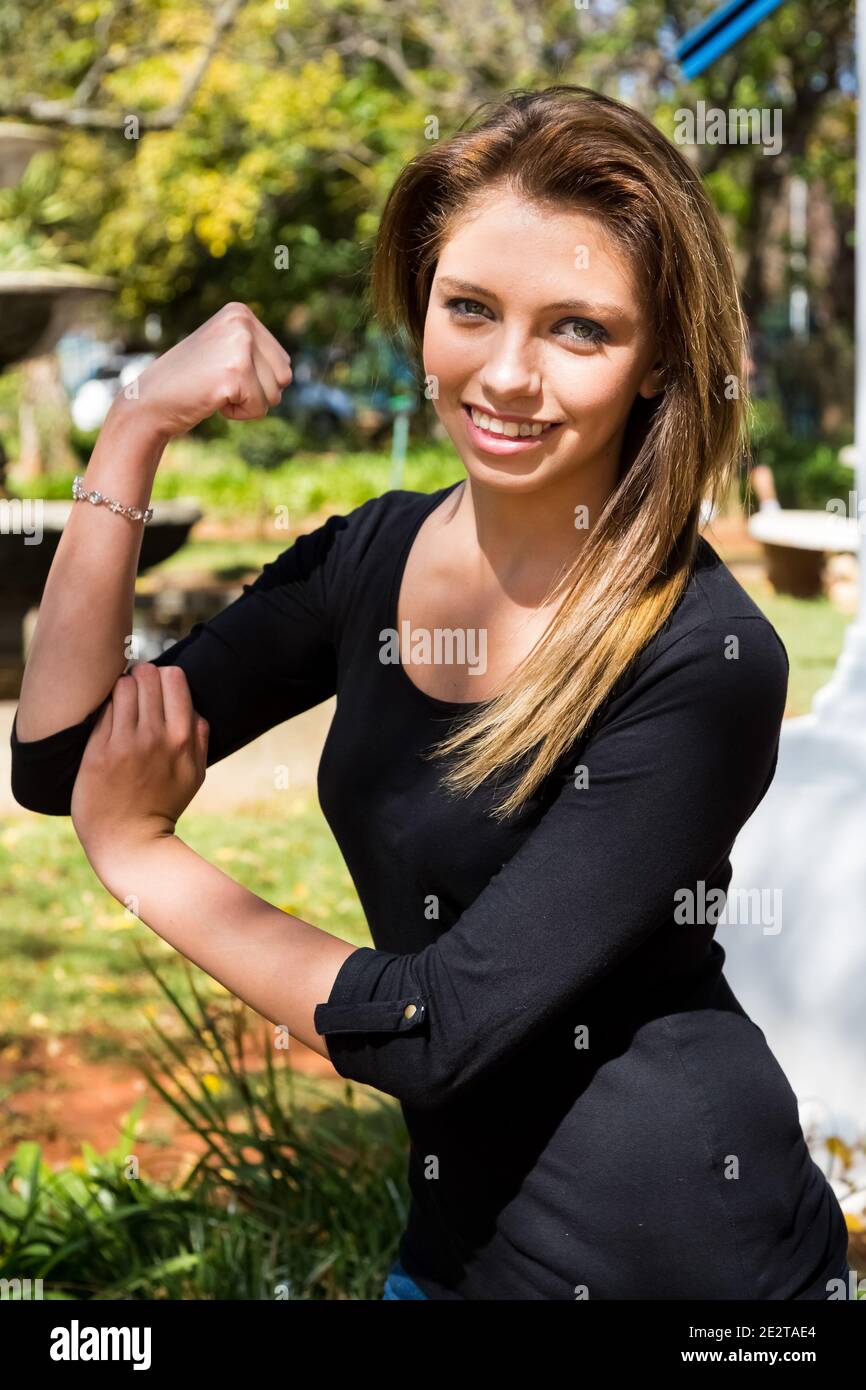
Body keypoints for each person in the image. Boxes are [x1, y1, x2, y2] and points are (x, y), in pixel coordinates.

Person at [10, 85, 851, 1301]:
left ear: (661, 353)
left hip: (694, 1272)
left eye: (577, 329)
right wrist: (133, 427)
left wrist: (139, 855)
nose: (505, 375)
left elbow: (431, 1032)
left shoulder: (699, 657)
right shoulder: (367, 562)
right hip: (451, 1260)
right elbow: (59, 758)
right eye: (468, 309)